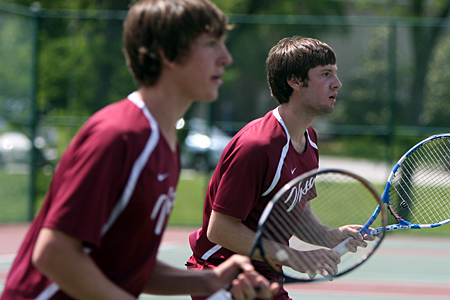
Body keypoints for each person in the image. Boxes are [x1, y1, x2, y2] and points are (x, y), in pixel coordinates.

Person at [0, 1, 280, 299]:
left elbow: (127, 266)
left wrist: (209, 282)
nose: (226, 57)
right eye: (211, 44)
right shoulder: (120, 135)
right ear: (166, 52)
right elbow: (54, 253)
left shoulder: (164, 140)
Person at [186, 36, 371, 300]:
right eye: (326, 74)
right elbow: (221, 229)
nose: (337, 83)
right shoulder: (257, 146)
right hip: (223, 278)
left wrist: (330, 235)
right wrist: (294, 257)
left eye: (335, 74)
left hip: (263, 278)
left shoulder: (310, 140)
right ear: (295, 81)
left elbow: (296, 212)